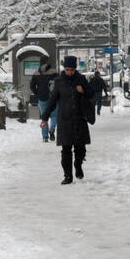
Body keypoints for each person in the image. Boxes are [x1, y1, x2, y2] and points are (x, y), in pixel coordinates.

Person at [41, 55, 92, 184]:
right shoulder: (59, 81)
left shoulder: (81, 79)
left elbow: (91, 94)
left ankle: (78, 165)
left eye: (72, 70)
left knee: (80, 149)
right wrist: (45, 117)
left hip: (79, 119)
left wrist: (83, 90)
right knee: (66, 150)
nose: (69, 72)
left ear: (75, 69)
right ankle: (68, 176)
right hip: (65, 119)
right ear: (64, 68)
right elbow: (52, 100)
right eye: (67, 69)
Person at [30, 62, 57, 142]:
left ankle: (45, 137)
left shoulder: (36, 73)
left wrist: (37, 93)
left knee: (44, 117)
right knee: (54, 115)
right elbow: (59, 83)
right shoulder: (54, 72)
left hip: (41, 98)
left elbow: (32, 86)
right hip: (52, 97)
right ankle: (52, 129)